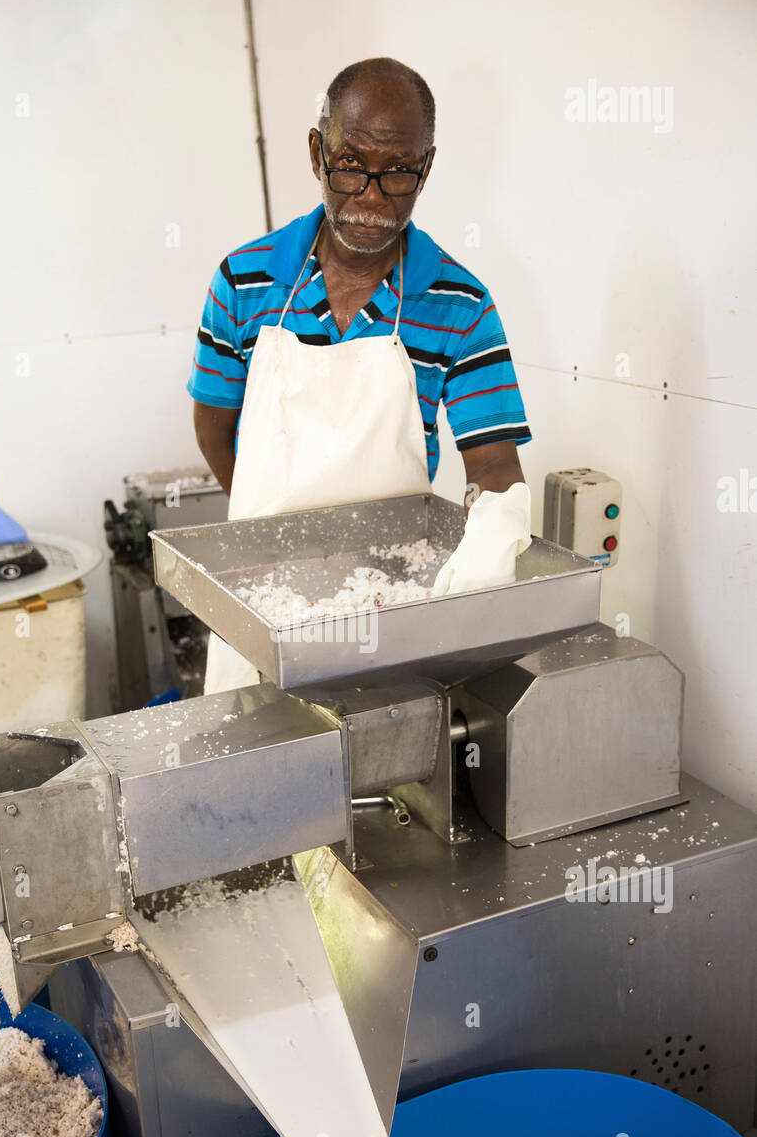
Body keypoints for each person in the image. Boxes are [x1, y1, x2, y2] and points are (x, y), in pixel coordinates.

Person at [189, 56, 531, 692]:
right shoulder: (244, 280)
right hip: (262, 603)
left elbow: (493, 467)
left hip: (389, 611)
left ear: (426, 168)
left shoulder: (461, 305)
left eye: (398, 173)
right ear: (318, 152)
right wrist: (272, 539)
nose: (372, 198)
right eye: (351, 165)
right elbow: (213, 427)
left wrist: (484, 560)